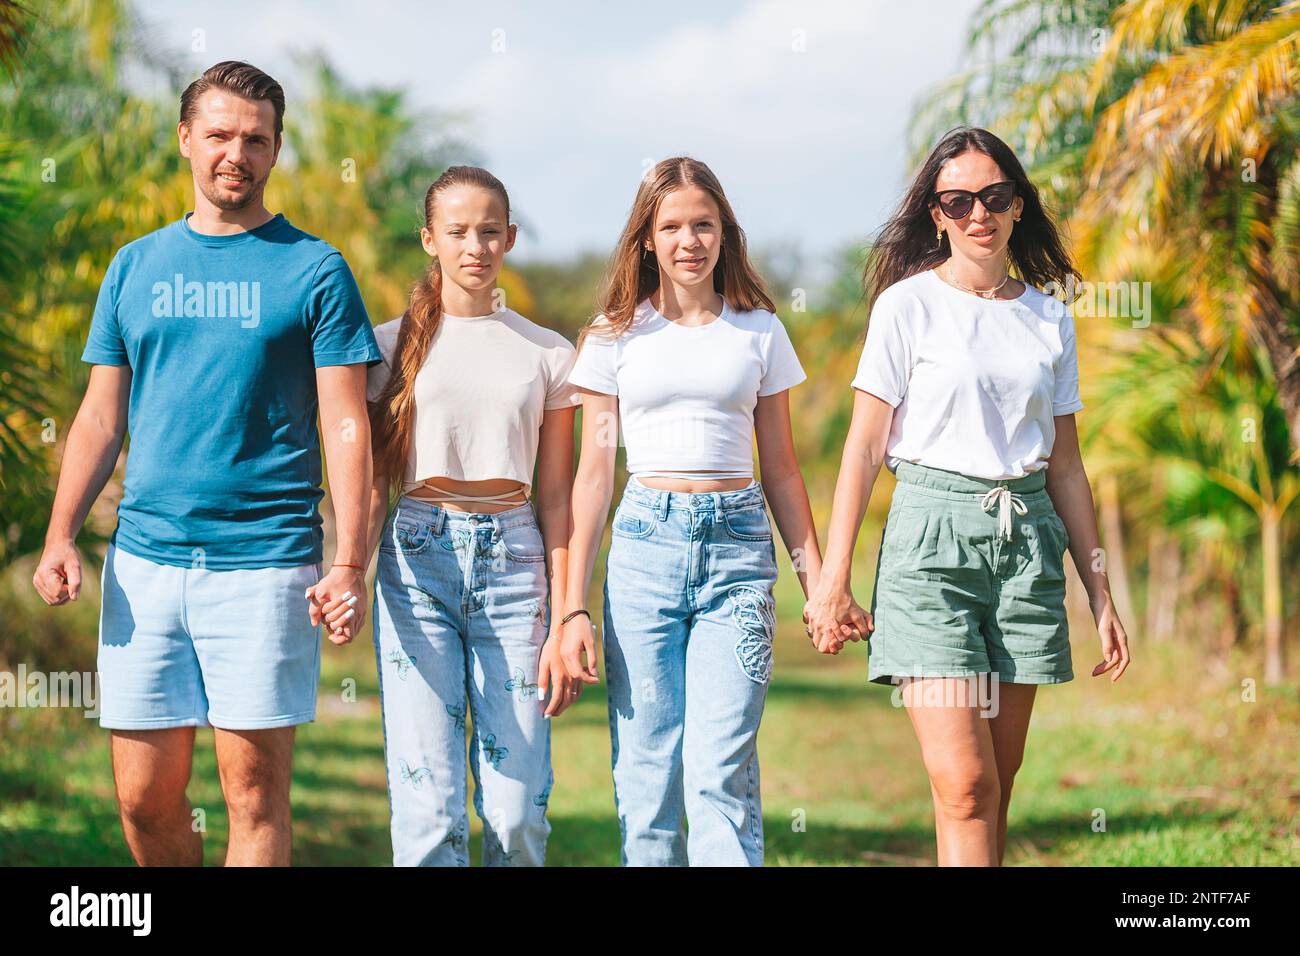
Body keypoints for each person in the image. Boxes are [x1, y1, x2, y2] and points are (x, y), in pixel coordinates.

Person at [31, 61, 380, 866]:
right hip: (144, 563)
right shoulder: (135, 266)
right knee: (143, 799)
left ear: (277, 150)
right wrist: (61, 534)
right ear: (186, 139)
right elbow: (98, 415)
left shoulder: (315, 270)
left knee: (252, 796)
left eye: (256, 139)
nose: (237, 153)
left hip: (266, 565)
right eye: (220, 134)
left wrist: (349, 560)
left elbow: (345, 422)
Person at [804, 126, 1132, 866]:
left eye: (994, 196)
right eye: (957, 201)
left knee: (997, 785)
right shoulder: (906, 307)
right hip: (931, 543)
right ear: (936, 213)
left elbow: (1068, 469)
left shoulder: (1048, 317)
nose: (977, 213)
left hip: (1028, 548)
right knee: (965, 785)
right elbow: (863, 446)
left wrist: (1101, 594)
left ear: (1018, 206)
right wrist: (832, 579)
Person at [560, 157, 822, 866]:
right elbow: (593, 477)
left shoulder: (759, 331)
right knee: (646, 772)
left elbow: (784, 471)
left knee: (719, 771)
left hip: (738, 553)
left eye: (703, 224)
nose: (688, 240)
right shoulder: (613, 335)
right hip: (644, 548)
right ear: (646, 238)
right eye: (670, 225)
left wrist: (818, 582)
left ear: (724, 232)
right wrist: (571, 606)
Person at [364, 166, 580, 866]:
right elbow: (364, 474)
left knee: (517, 817)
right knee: (429, 812)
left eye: (490, 231)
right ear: (430, 239)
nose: (475, 246)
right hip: (417, 557)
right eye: (457, 231)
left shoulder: (548, 351)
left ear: (510, 237)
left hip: (517, 564)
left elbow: (557, 498)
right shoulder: (387, 346)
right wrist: (344, 568)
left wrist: (567, 609)